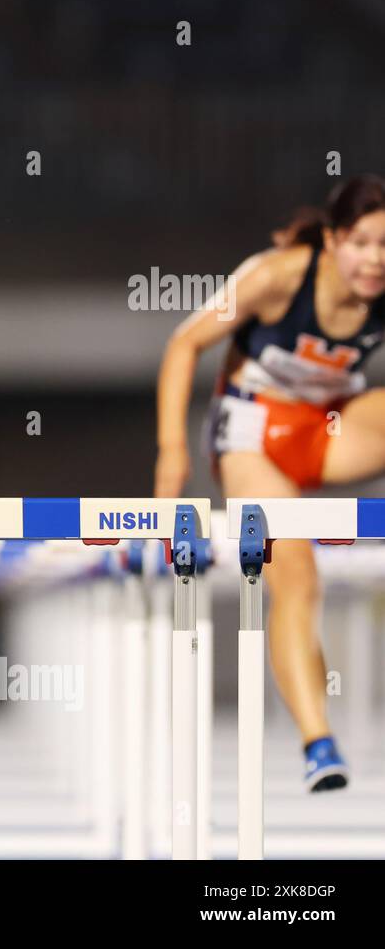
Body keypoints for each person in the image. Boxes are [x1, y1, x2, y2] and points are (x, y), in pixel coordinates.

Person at [156, 174, 385, 792]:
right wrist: (172, 452)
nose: (375, 261)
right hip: (254, 437)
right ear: (335, 241)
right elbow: (184, 344)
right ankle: (319, 742)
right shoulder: (278, 275)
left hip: (329, 428)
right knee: (298, 580)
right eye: (362, 243)